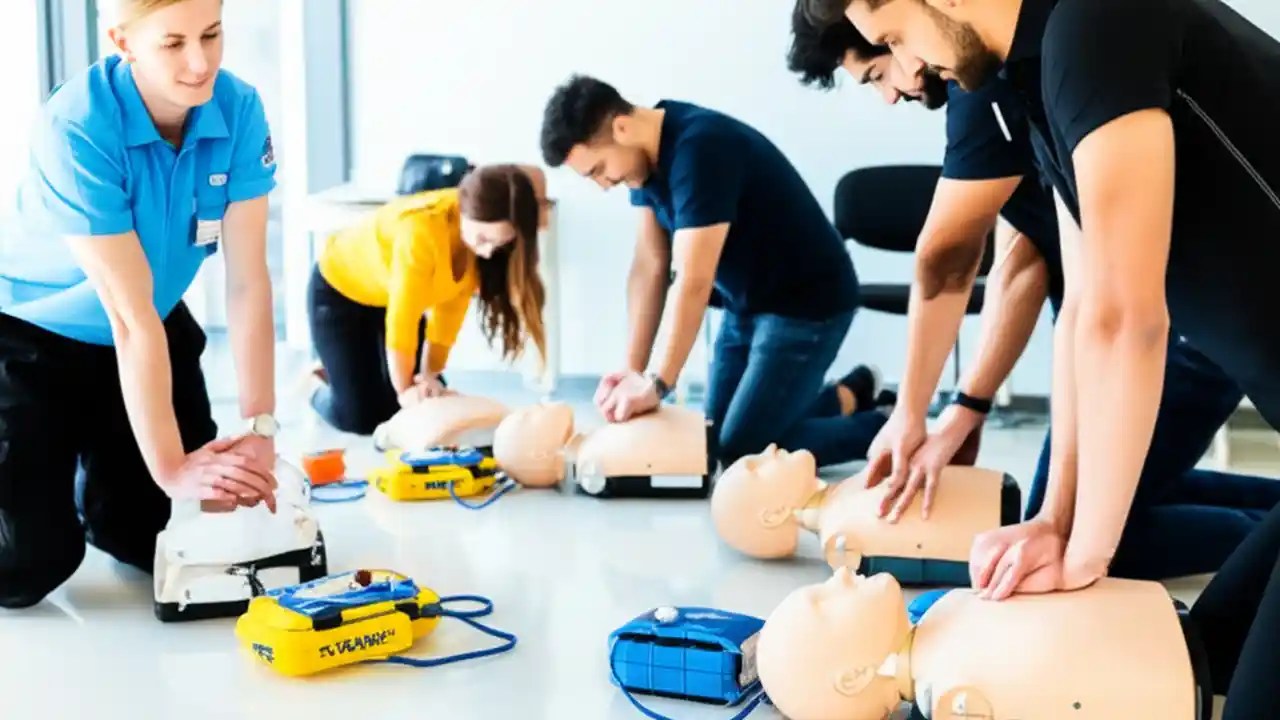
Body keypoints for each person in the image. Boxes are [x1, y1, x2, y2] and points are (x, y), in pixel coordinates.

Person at [788, 6, 1280, 580]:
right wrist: (1051, 515)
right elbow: (1059, 288)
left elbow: (957, 262)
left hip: (1171, 322)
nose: (902, 75)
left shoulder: (1073, 40)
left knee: (1113, 534)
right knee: (1094, 526)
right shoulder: (1025, 76)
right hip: (1169, 315)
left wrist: (1085, 555)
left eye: (887, 54)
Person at [0, 0, 280, 609]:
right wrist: (170, 466)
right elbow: (126, 317)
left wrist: (261, 426)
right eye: (173, 43)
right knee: (25, 567)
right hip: (30, 333)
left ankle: (96, 476)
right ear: (122, 41)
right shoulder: (77, 124)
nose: (199, 61)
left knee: (150, 532)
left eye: (211, 34)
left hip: (150, 320)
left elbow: (248, 282)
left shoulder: (239, 108)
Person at [538, 74, 892, 470]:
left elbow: (692, 278)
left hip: (806, 306)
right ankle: (850, 394)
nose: (603, 185)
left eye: (598, 169)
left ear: (622, 128)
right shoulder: (642, 161)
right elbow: (649, 266)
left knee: (741, 450)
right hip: (745, 304)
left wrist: (657, 383)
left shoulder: (700, 149)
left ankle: (885, 427)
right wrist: (631, 370)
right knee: (712, 439)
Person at [306, 164, 550, 435]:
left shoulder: (476, 248)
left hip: (385, 299)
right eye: (482, 238)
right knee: (362, 418)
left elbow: (448, 316)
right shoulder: (422, 231)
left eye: (499, 243)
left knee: (419, 402)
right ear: (465, 212)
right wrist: (405, 390)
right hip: (340, 293)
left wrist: (428, 375)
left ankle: (352, 371)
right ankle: (315, 384)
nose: (488, 252)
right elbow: (404, 317)